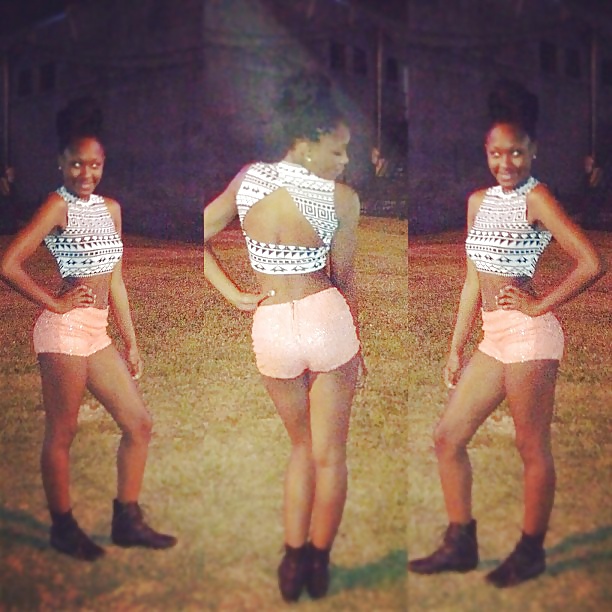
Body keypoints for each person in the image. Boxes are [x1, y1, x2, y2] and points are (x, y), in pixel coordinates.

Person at [408, 80, 605, 588]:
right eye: (496, 153)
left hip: (530, 337)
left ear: (532, 150)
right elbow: (473, 279)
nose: (506, 162)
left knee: (530, 446)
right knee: (447, 436)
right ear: (486, 151)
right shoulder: (478, 202)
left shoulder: (537, 198)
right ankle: (460, 544)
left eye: (516, 152)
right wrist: (455, 347)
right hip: (493, 338)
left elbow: (590, 262)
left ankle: (530, 551)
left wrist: (539, 303)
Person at [203, 72, 362, 601]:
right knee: (330, 456)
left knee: (300, 449)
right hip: (325, 317)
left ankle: (293, 564)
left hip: (270, 325)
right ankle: (318, 562)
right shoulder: (340, 199)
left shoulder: (249, 179)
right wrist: (359, 344)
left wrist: (232, 292)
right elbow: (344, 279)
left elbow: (197, 232)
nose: (345, 161)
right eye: (338, 150)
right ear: (308, 139)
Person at [0, 97, 176, 561]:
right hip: (63, 331)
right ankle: (63, 528)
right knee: (63, 431)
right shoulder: (56, 206)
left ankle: (127, 522)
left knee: (138, 423)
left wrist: (131, 341)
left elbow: (114, 279)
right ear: (61, 162)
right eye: (76, 163)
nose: (85, 173)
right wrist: (55, 301)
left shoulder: (110, 209)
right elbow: (9, 263)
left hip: (96, 332)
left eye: (94, 164)